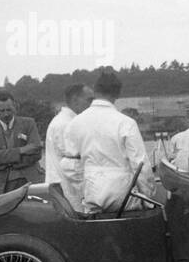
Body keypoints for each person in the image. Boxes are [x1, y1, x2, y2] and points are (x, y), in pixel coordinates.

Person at [64, 70, 156, 212]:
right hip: (124, 195)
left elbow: (69, 166)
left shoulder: (74, 123)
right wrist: (147, 197)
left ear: (95, 91)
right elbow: (141, 166)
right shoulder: (126, 123)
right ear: (118, 94)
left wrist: (83, 190)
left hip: (92, 193)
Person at [0, 91, 44, 194]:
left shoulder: (29, 124)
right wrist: (21, 150)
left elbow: (36, 152)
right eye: (1, 111)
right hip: (3, 186)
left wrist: (5, 162)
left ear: (15, 106)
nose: (6, 114)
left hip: (32, 181)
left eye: (9, 110)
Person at [44, 82, 92, 208]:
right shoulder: (65, 124)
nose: (92, 104)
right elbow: (73, 165)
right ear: (75, 100)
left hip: (67, 188)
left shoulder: (68, 121)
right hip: (67, 190)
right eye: (89, 100)